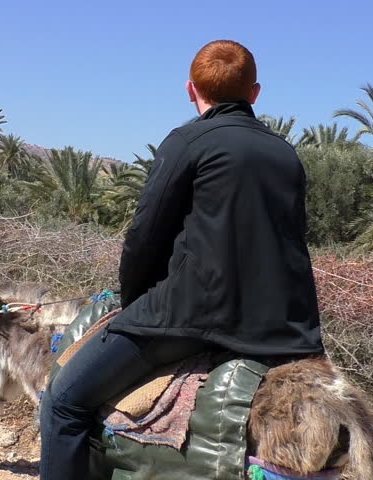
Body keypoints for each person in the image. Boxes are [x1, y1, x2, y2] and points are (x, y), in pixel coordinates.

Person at [38, 40, 325, 479]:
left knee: (63, 401)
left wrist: (135, 304)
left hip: (192, 315)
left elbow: (145, 236)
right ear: (255, 93)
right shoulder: (285, 153)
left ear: (191, 91)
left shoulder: (188, 141)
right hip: (284, 326)